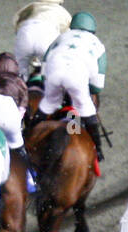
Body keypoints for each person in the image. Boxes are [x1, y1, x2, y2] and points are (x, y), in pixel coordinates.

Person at [38, 11, 107, 161]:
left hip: (54, 73)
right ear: (93, 30)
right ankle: (98, 150)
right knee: (86, 108)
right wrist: (89, 91)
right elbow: (97, 87)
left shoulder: (61, 37)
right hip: (77, 77)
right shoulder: (98, 45)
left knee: (48, 104)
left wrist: (48, 82)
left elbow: (44, 66)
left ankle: (29, 133)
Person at [13, 0, 71, 83]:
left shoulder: (28, 10)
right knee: (53, 74)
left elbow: (16, 25)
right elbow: (67, 36)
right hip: (47, 42)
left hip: (24, 38)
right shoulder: (63, 13)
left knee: (18, 74)